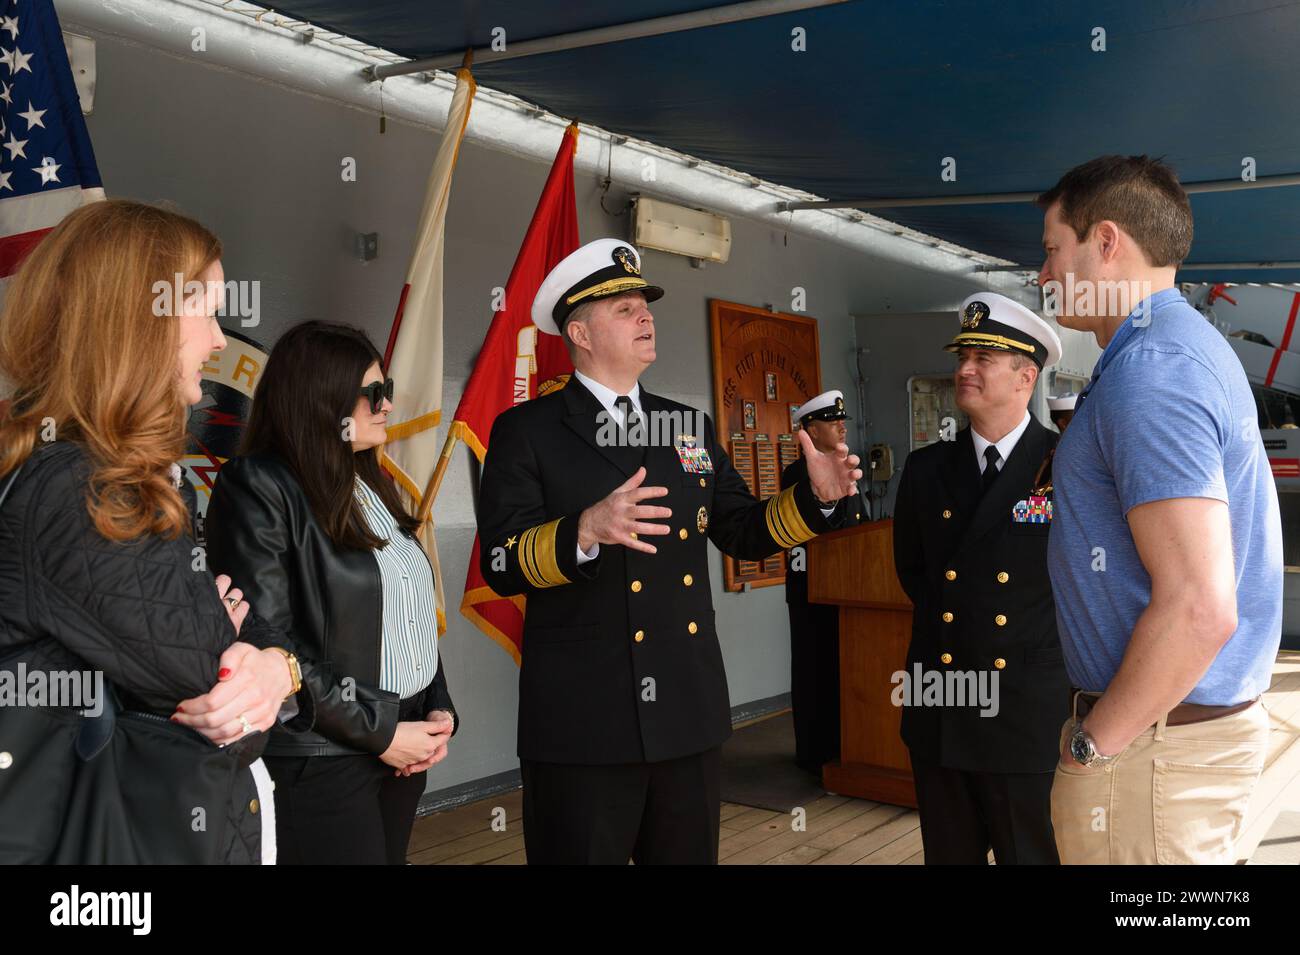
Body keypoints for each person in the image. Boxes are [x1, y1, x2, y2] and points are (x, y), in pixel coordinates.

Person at [477, 238, 862, 864]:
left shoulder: (687, 426)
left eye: (645, 305)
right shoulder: (528, 431)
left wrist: (813, 500)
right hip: (584, 721)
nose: (646, 316)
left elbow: (739, 529)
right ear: (579, 330)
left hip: (685, 711)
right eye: (625, 308)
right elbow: (499, 563)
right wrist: (583, 530)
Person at [0, 199, 297, 864]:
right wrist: (257, 667)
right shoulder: (86, 488)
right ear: (139, 320)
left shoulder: (81, 469)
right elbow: (221, 709)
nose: (220, 339)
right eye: (207, 310)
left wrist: (276, 665)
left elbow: (230, 635)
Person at [1038, 155, 1283, 864]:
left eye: (1054, 249)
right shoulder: (1179, 349)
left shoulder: (1153, 373)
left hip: (1152, 751)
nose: (1046, 275)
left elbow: (1200, 607)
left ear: (1106, 242)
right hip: (1170, 741)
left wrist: (1094, 744)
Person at [205, 321, 458, 865]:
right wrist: (383, 732)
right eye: (373, 394)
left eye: (385, 391)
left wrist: (437, 706)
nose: (387, 405)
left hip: (400, 740)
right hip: (324, 756)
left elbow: (406, 609)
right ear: (323, 400)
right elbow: (266, 642)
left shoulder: (371, 481)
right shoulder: (258, 485)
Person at [892, 292, 1069, 865]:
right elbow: (916, 574)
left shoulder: (1065, 464)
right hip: (941, 706)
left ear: (1026, 376)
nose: (964, 369)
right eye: (963, 355)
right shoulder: (925, 469)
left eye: (983, 358)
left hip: (1024, 712)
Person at [782, 389, 870, 775]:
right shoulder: (797, 473)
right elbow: (813, 528)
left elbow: (860, 525)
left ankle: (842, 747)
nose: (841, 425)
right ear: (810, 431)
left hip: (848, 589)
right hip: (813, 589)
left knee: (842, 671)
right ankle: (815, 752)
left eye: (842, 420)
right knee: (814, 671)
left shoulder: (846, 465)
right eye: (831, 421)